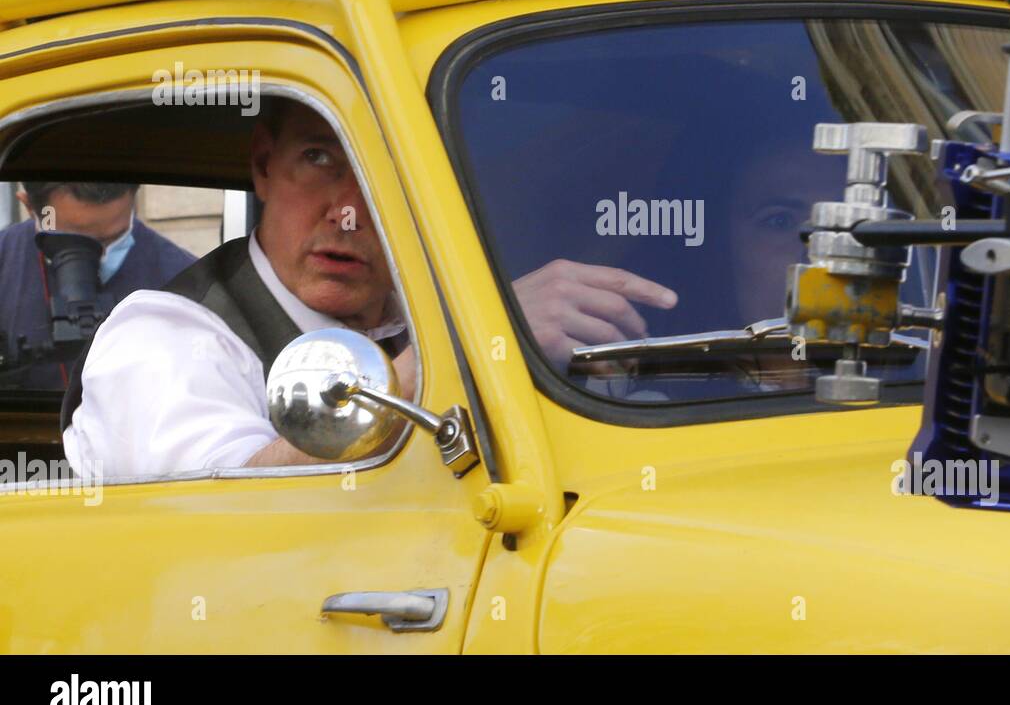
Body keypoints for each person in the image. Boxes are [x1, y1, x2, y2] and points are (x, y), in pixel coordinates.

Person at [61, 102, 676, 477]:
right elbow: (222, 508)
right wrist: (454, 352)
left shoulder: (426, 315)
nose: (350, 212)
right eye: (321, 158)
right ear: (263, 165)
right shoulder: (166, 335)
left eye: (390, 174)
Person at [0, 182, 194, 391]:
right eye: (75, 241)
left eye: (112, 238)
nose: (97, 255)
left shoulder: (187, 281)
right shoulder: (5, 259)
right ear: (30, 207)